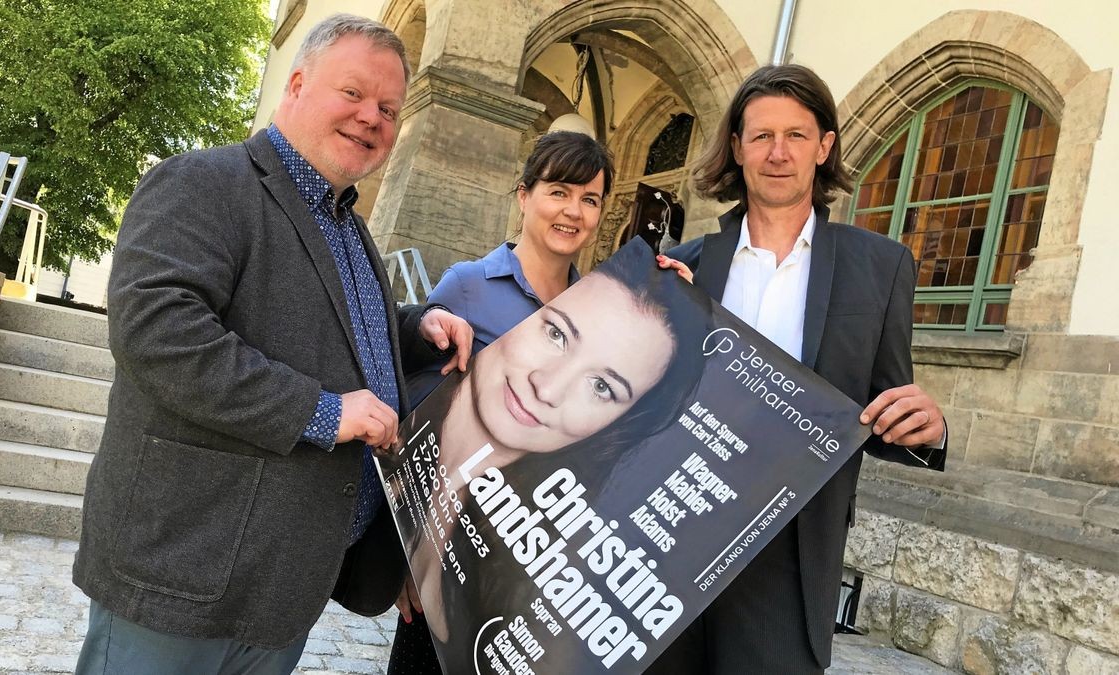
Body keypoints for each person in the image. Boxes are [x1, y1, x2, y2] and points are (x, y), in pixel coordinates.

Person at [71, 14, 472, 675]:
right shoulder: (203, 181)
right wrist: (323, 410)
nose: (371, 118)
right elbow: (158, 329)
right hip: (181, 576)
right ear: (296, 84)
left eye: (388, 109)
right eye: (353, 93)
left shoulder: (347, 224)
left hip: (281, 591)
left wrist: (414, 327)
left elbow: (327, 324)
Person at [649, 63, 948, 674]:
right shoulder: (680, 268)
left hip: (789, 555)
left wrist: (927, 429)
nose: (778, 153)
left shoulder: (881, 267)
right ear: (738, 148)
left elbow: (882, 411)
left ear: (824, 146)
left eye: (796, 135)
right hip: (667, 539)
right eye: (761, 136)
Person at [390, 241, 710, 674]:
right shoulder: (394, 468)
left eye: (602, 387)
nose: (548, 387)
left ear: (615, 427)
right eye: (557, 334)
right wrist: (400, 552)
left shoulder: (523, 581)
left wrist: (684, 300)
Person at [387, 129, 614, 674]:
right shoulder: (468, 286)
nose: (573, 211)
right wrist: (411, 555)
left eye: (590, 199)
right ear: (524, 195)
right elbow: (417, 425)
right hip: (447, 550)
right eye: (559, 191)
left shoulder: (598, 309)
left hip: (529, 564)